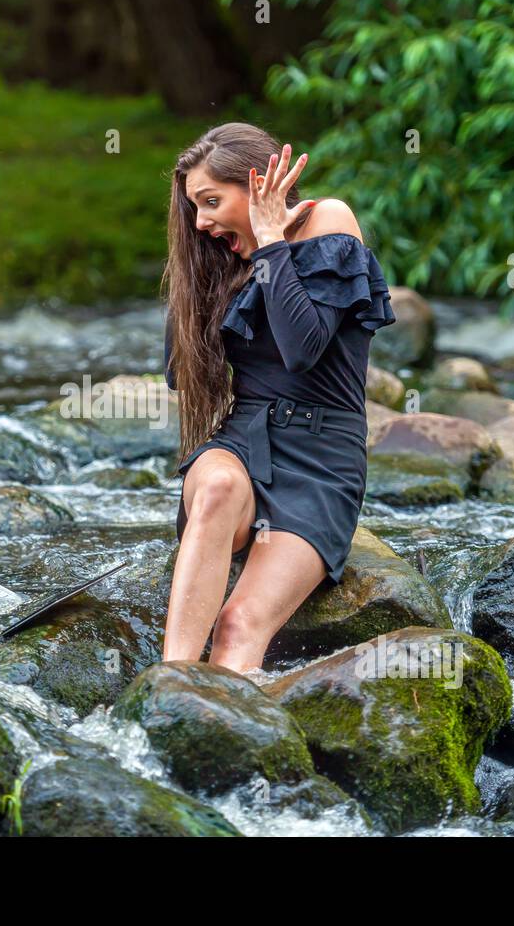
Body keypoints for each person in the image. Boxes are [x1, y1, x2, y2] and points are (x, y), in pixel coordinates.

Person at [161, 122, 396, 674]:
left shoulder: (327, 222)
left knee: (239, 623)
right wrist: (195, 279)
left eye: (212, 201)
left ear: (259, 182)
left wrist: (270, 244)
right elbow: (180, 374)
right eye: (195, 207)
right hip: (240, 444)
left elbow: (303, 348)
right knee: (217, 486)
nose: (202, 221)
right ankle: (169, 684)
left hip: (322, 462)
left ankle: (228, 735)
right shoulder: (220, 259)